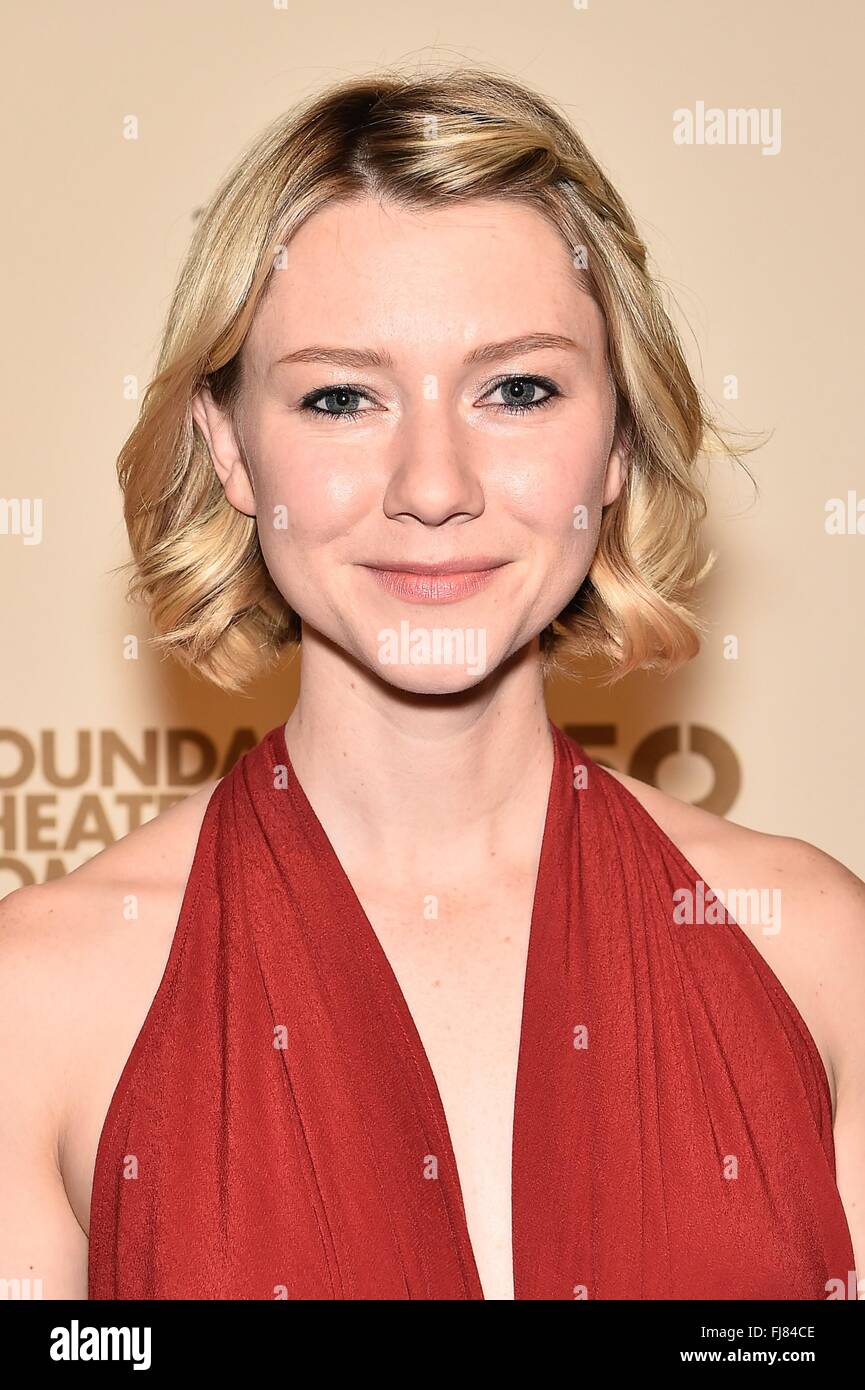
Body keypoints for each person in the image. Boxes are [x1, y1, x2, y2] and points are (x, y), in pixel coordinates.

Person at [1, 67, 863, 1302]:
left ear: (616, 439)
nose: (433, 482)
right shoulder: (34, 1001)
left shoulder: (819, 954)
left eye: (516, 388)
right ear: (231, 447)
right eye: (342, 395)